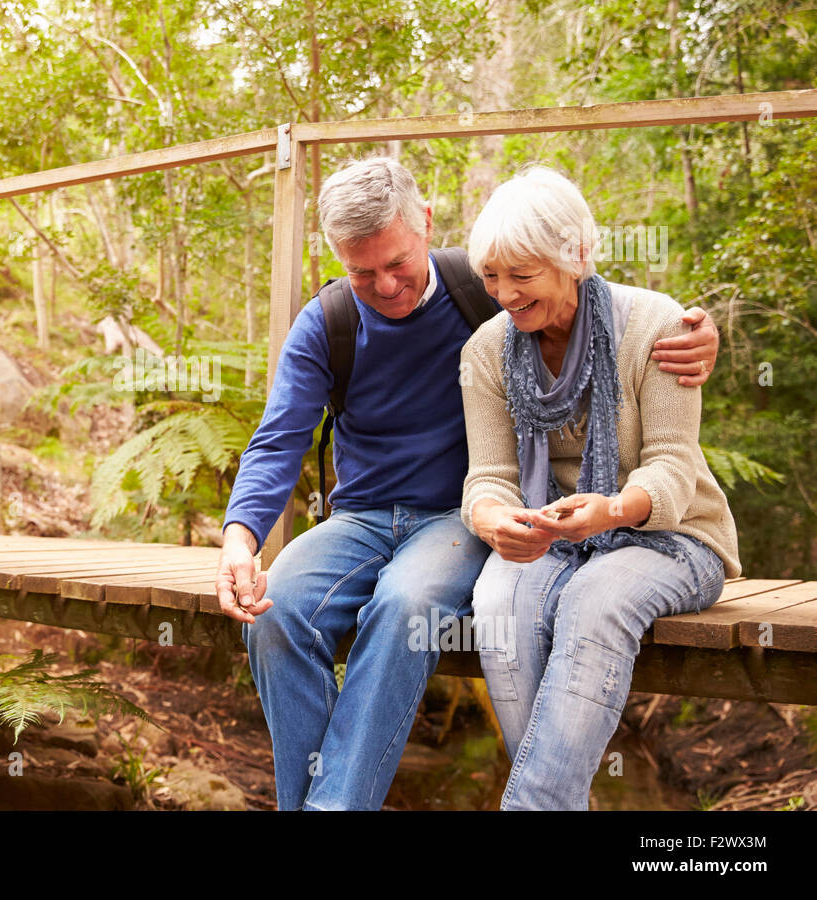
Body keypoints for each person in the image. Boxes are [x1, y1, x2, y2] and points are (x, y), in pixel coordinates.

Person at [214, 154, 722, 811]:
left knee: (406, 606)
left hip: (455, 520)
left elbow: (582, 294)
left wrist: (698, 329)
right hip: (361, 517)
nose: (387, 285)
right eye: (362, 271)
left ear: (425, 222)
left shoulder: (483, 289)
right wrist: (238, 541)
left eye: (397, 262)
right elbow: (278, 439)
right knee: (276, 610)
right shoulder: (329, 322)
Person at [459, 166, 741, 811]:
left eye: (521, 275)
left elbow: (672, 463)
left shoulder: (658, 327)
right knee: (497, 600)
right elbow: (489, 477)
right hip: (552, 540)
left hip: (670, 537)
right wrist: (492, 519)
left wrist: (613, 510)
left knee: (591, 599)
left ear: (577, 256)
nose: (503, 293)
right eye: (492, 277)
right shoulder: (486, 351)